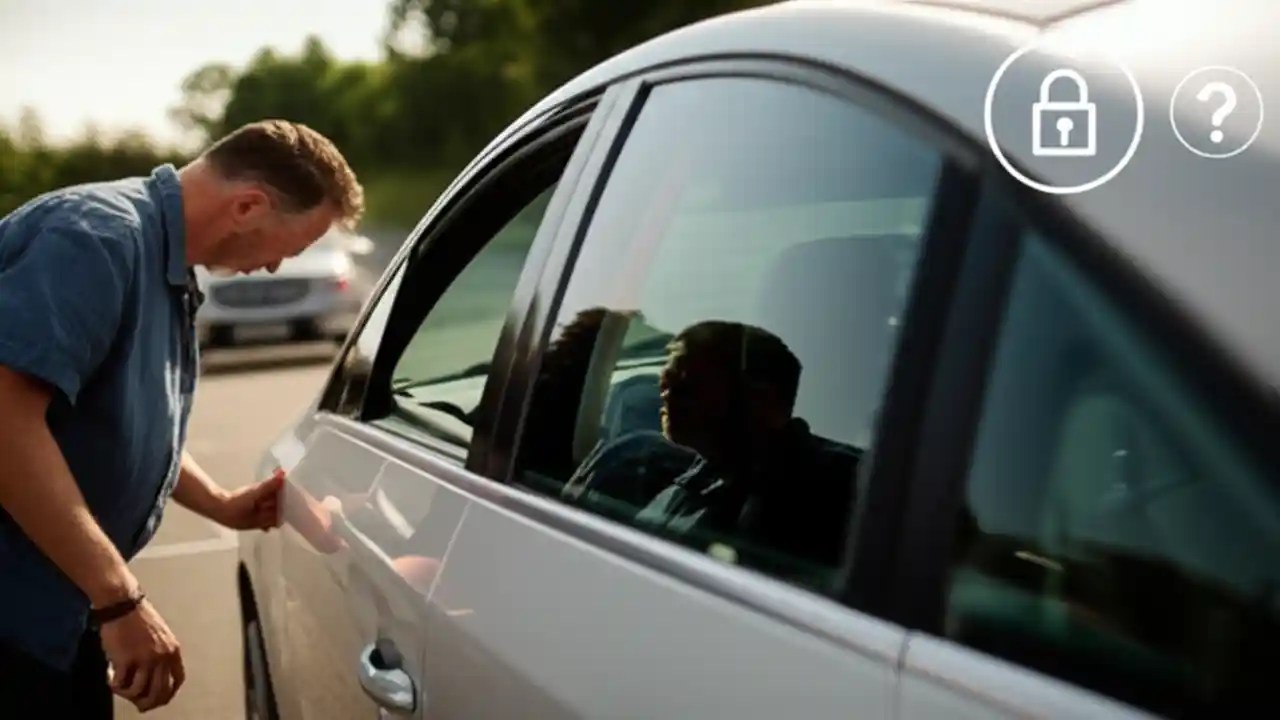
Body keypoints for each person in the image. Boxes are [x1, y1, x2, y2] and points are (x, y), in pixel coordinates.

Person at [0, 119, 363, 717]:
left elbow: (113, 419)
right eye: (288, 248)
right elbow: (6, 424)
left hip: (58, 616)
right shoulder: (95, 239)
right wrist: (118, 600)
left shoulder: (159, 261)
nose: (275, 268)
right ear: (249, 205)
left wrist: (219, 502)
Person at [563, 320, 860, 572]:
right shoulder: (699, 470)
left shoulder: (797, 509)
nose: (666, 395)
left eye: (687, 386)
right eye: (665, 383)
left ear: (762, 401)